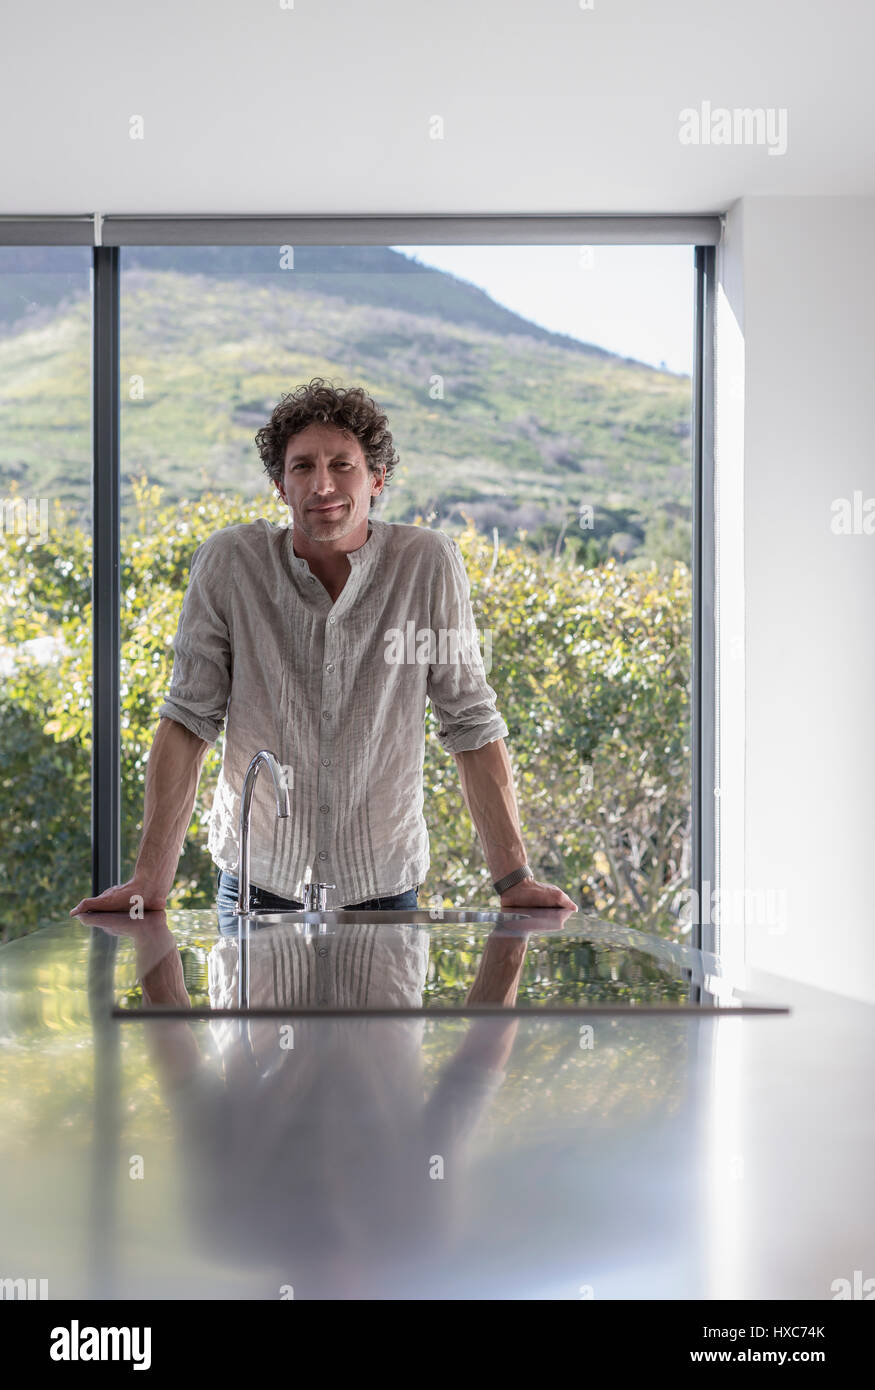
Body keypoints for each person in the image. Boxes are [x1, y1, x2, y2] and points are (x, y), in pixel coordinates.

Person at [71, 378, 577, 918]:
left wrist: (514, 881)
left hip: (384, 891)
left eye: (342, 465)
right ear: (280, 486)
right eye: (303, 467)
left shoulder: (427, 565)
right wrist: (149, 880)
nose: (322, 486)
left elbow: (472, 722)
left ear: (377, 478)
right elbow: (188, 719)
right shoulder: (229, 563)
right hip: (253, 886)